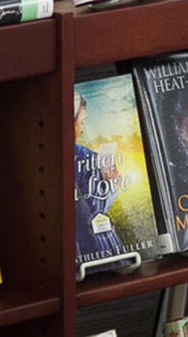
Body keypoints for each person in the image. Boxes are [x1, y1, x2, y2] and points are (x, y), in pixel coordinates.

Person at [73, 91, 127, 267]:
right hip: (95, 243)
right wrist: (113, 185)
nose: (81, 130)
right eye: (80, 123)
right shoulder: (85, 156)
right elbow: (97, 207)